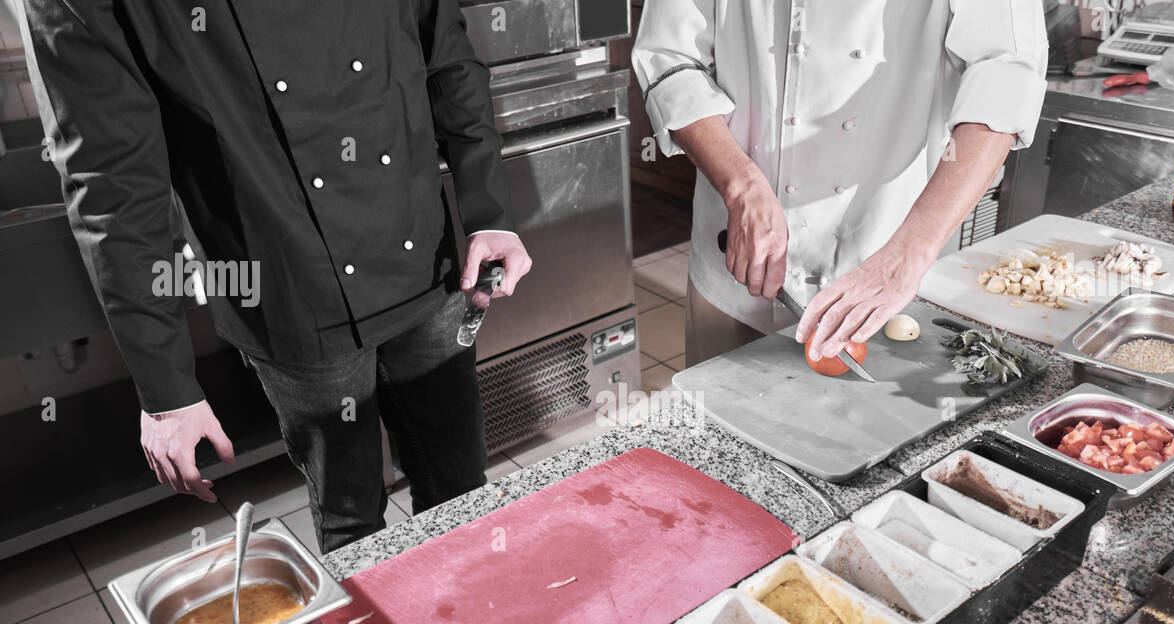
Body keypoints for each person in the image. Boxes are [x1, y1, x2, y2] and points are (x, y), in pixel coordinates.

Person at [20, 0, 532, 552]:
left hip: (425, 259)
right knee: (353, 523)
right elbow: (111, 179)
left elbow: (446, 55)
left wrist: (488, 210)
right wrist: (165, 387)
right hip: (288, 291)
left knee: (464, 499)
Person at [632, 0, 1049, 366]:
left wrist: (909, 254)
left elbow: (1006, 73)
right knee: (714, 448)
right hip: (733, 265)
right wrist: (739, 185)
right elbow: (668, 54)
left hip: (891, 268)